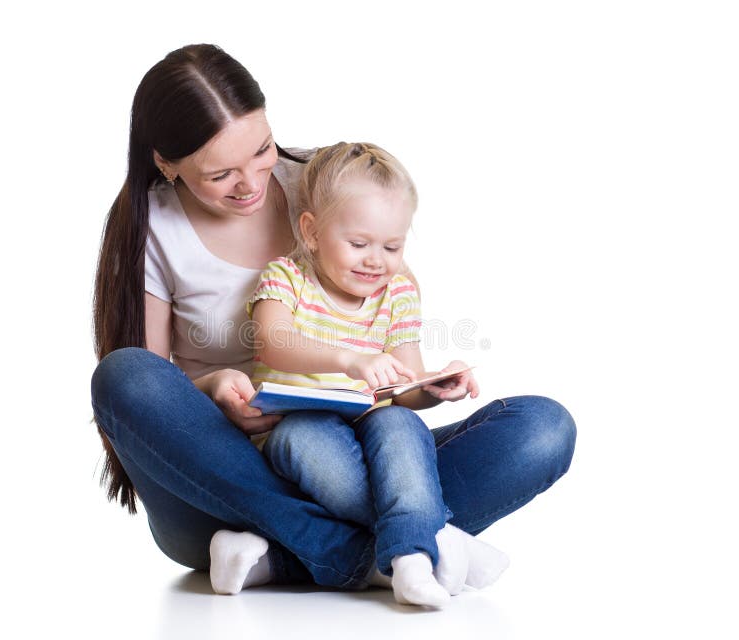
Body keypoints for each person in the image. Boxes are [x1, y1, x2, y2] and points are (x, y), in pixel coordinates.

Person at [90, 44, 577, 600]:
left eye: (263, 149)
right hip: (228, 479)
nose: (251, 182)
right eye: (222, 173)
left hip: (359, 447)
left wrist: (425, 387)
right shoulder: (152, 224)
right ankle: (402, 545)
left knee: (542, 427)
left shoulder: (324, 180)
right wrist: (212, 387)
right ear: (166, 163)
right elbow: (153, 392)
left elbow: (393, 302)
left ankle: (288, 556)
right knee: (123, 374)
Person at [247, 141, 509, 607]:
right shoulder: (285, 277)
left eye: (392, 246)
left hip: (373, 423)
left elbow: (402, 389)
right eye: (359, 244)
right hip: (297, 424)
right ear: (311, 232)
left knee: (401, 423)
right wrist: (350, 359)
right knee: (310, 437)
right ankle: (436, 538)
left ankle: (407, 559)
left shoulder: (398, 291)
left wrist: (429, 387)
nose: (376, 260)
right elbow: (275, 341)